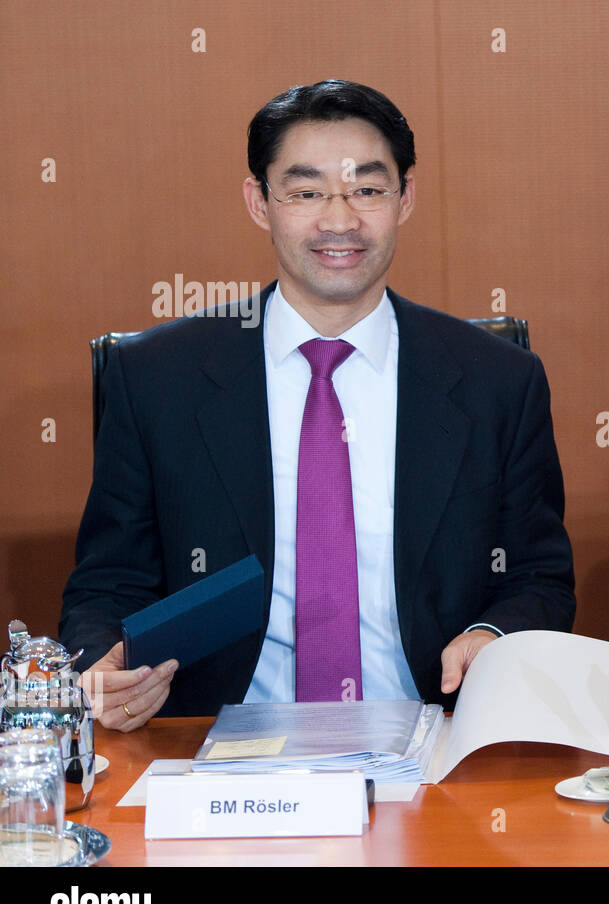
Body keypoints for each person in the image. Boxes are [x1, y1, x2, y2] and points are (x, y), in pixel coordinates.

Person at [61, 80, 576, 729]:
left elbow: (538, 577)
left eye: (367, 190)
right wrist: (104, 668)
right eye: (306, 193)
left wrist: (492, 636)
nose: (339, 221)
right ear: (259, 201)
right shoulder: (157, 378)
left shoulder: (498, 379)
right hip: (213, 742)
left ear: (405, 198)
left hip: (431, 735)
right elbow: (106, 586)